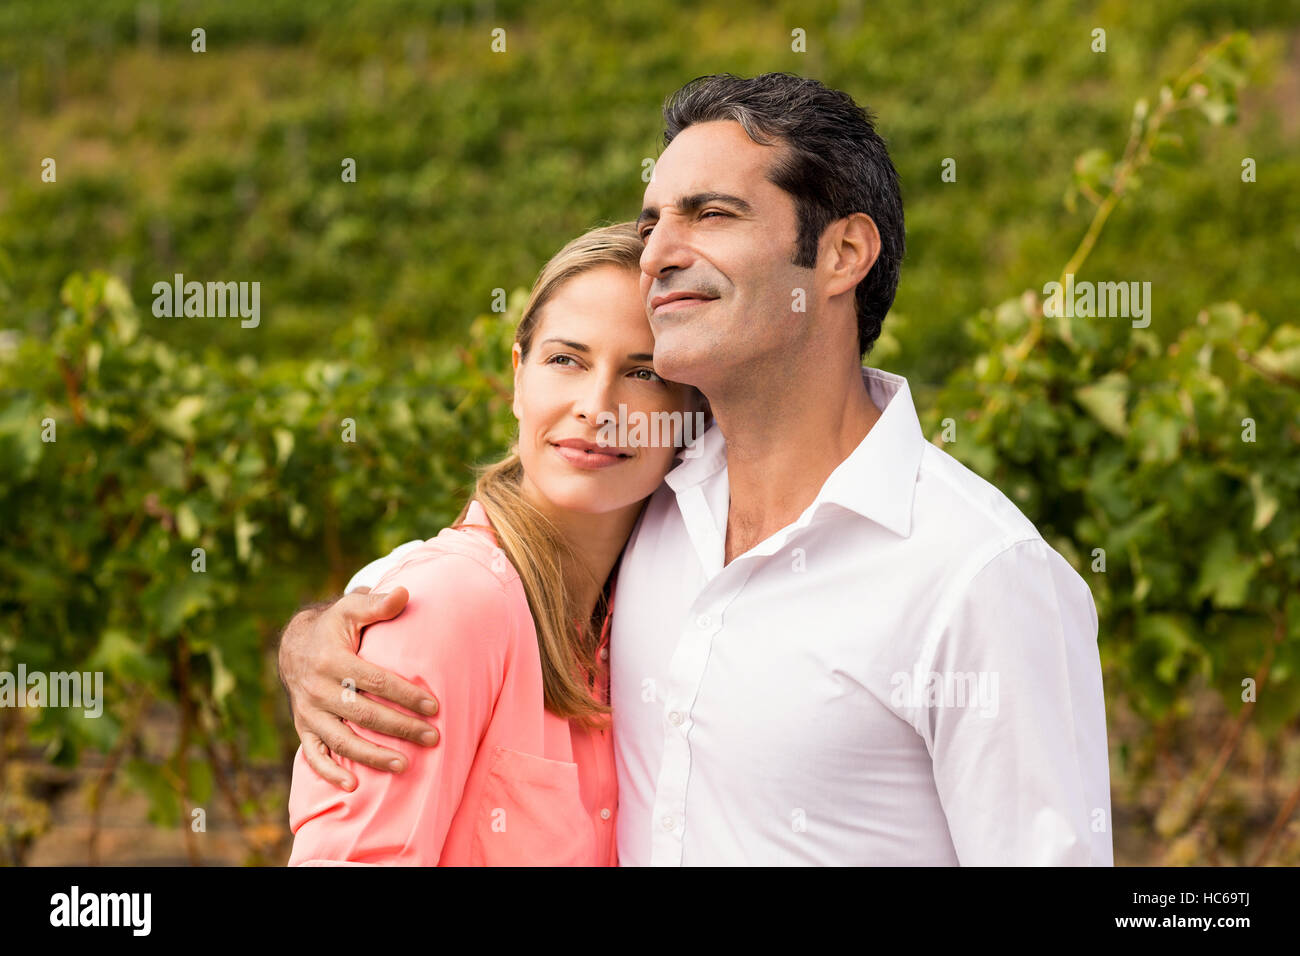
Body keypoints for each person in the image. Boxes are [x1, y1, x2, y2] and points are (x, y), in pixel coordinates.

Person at [280, 73, 1113, 865]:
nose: (657, 255)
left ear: (841, 253)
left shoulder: (979, 575)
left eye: (710, 214)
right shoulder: (650, 496)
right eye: (652, 224)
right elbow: (456, 591)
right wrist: (313, 639)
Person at [286, 222, 701, 865]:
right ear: (517, 377)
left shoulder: (651, 608)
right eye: (566, 360)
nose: (597, 406)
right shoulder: (451, 603)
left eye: (643, 373)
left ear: (691, 415)